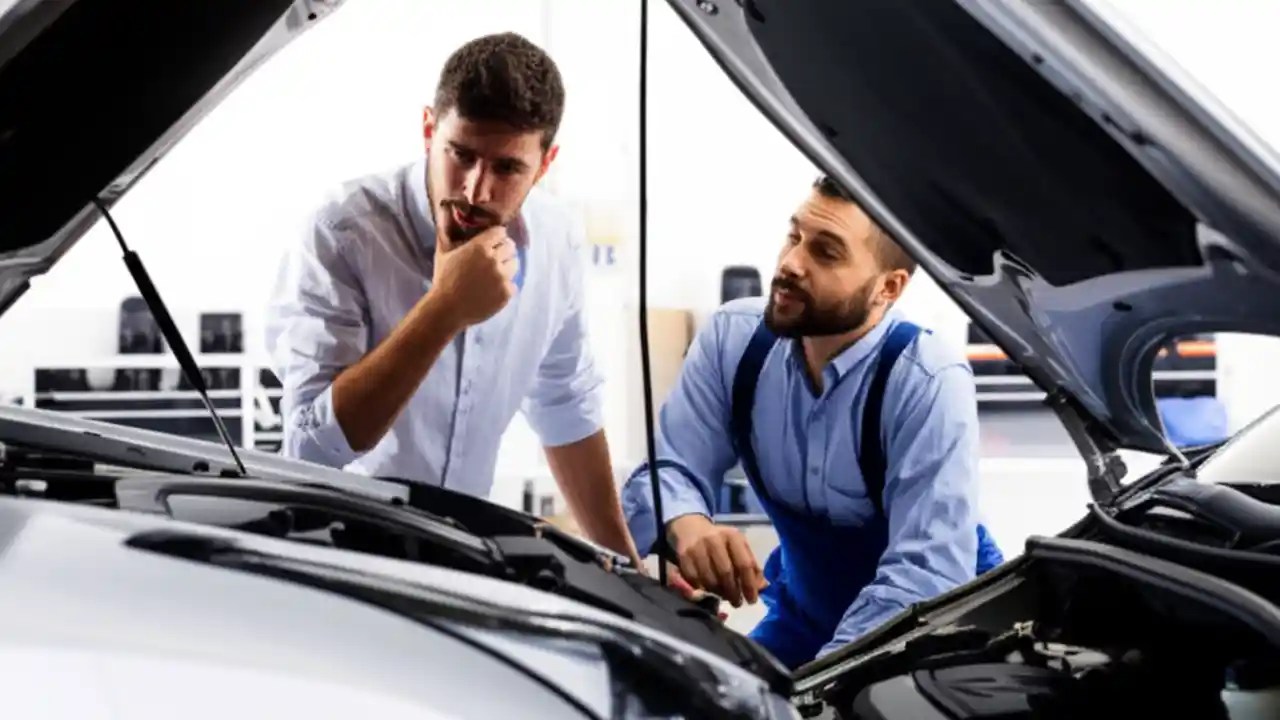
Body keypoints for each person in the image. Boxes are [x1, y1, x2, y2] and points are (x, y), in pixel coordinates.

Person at [265, 32, 641, 567]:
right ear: (427, 130)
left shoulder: (557, 239)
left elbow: (566, 403)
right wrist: (443, 309)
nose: (475, 190)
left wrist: (629, 569)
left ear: (546, 163)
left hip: (460, 550)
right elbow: (311, 447)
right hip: (335, 546)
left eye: (508, 168)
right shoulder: (343, 230)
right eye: (460, 155)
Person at [621, 175, 1004, 669]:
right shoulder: (733, 341)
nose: (790, 264)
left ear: (888, 288)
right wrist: (689, 526)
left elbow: (924, 574)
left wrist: (809, 691)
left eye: (826, 253)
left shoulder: (928, 379)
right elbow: (666, 469)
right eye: (794, 236)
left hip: (935, 630)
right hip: (804, 619)